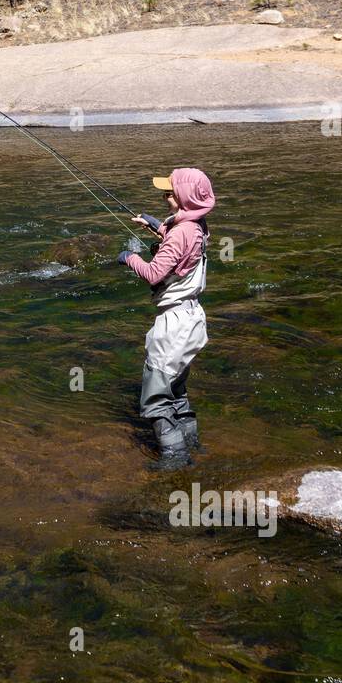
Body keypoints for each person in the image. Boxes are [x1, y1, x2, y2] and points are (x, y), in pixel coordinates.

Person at [117, 168, 216, 467]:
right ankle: (191, 443)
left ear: (185, 197)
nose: (164, 195)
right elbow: (181, 242)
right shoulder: (198, 225)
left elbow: (154, 274)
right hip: (193, 319)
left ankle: (174, 459)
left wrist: (128, 258)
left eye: (170, 192)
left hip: (173, 325)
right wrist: (155, 225)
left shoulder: (179, 234)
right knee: (176, 389)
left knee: (155, 397)